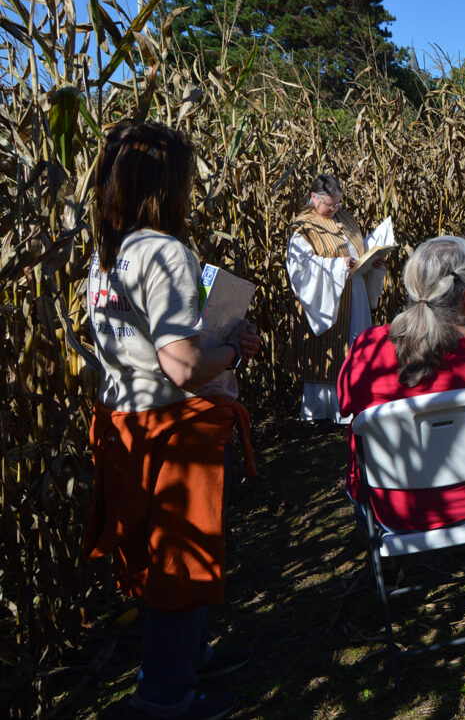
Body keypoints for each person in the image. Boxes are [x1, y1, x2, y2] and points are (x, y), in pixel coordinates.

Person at [82, 121, 262, 719]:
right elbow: (183, 366)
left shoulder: (107, 255)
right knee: (178, 564)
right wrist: (234, 349)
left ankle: (188, 660)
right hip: (173, 432)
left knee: (164, 557)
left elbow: (139, 343)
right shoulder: (164, 253)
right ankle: (165, 696)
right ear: (167, 185)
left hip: (126, 425)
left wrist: (215, 332)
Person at [337, 236, 465, 595]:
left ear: (410, 285)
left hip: (395, 507)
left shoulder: (369, 351)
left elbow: (346, 411)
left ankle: (387, 575)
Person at [287, 174, 386, 424]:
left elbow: (356, 248)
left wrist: (372, 259)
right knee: (328, 352)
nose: (335, 209)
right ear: (314, 198)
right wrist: (336, 266)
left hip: (355, 294)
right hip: (326, 298)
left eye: (338, 203)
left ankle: (354, 403)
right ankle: (323, 410)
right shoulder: (305, 226)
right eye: (330, 204)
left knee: (357, 347)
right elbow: (299, 267)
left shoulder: (345, 218)